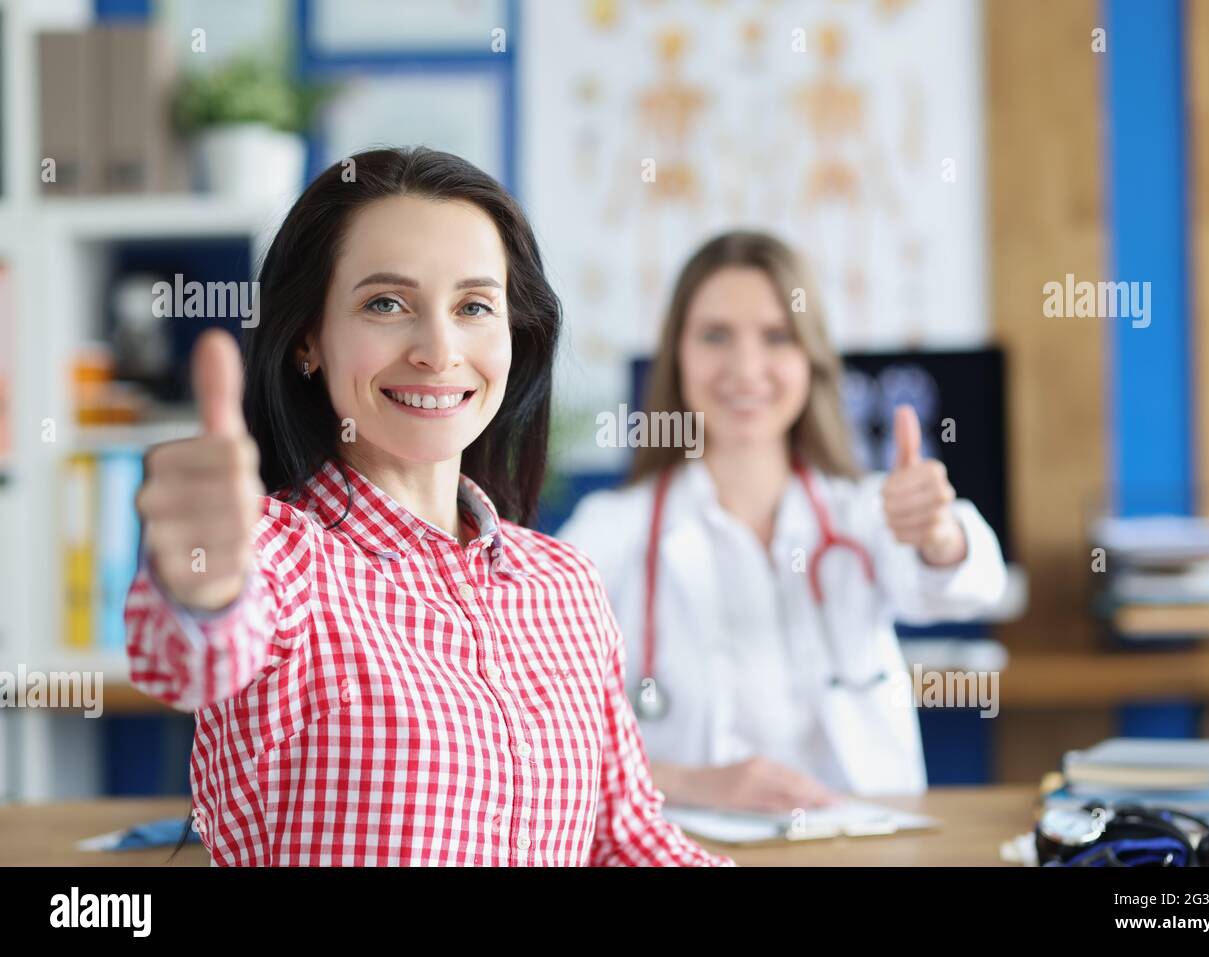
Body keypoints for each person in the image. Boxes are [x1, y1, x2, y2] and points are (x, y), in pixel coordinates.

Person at [125, 147, 732, 867]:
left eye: (474, 306)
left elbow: (623, 837)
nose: (439, 350)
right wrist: (199, 585)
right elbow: (191, 659)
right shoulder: (278, 553)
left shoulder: (563, 582)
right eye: (386, 304)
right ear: (308, 340)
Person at [557, 231, 1007, 814]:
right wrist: (694, 783)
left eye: (776, 336)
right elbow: (544, 736)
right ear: (679, 355)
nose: (746, 369)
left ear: (811, 357)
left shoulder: (865, 513)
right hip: (690, 848)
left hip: (861, 849)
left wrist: (939, 536)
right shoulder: (609, 532)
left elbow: (973, 588)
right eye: (715, 336)